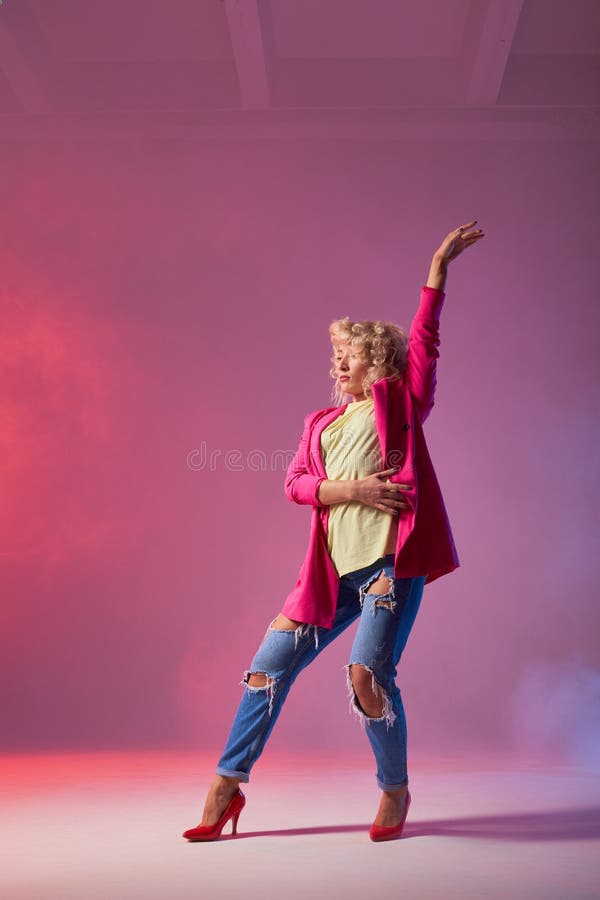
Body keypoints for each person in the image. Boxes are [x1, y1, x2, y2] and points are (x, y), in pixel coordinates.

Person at [182, 221, 485, 843]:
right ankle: (227, 784)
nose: (337, 362)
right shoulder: (319, 422)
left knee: (366, 676)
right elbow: (295, 483)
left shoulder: (400, 405)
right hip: (330, 574)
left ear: (379, 361)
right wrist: (354, 490)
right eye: (335, 355)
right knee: (266, 670)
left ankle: (394, 790)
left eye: (350, 353)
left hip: (387, 567)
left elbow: (425, 344)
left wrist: (437, 272)